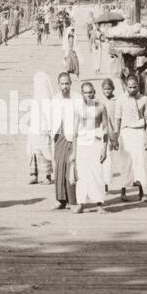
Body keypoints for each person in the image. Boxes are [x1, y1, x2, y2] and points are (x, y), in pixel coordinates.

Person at [114, 74, 147, 202]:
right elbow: (117, 119)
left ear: (138, 86)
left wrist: (146, 138)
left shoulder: (144, 99)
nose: (132, 89)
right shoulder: (120, 100)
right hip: (125, 133)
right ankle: (123, 191)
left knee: (139, 162)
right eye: (129, 87)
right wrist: (116, 136)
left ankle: (142, 192)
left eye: (134, 87)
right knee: (125, 162)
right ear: (126, 86)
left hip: (139, 132)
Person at [74, 81, 109, 213]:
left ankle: (99, 204)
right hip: (82, 142)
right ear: (82, 93)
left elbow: (105, 128)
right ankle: (81, 203)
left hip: (96, 141)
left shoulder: (100, 106)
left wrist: (104, 148)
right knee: (82, 173)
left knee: (96, 173)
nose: (88, 95)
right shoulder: (78, 108)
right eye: (85, 92)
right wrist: (73, 151)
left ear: (94, 92)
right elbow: (75, 130)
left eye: (90, 92)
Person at [50, 71, 80, 210]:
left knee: (71, 167)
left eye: (67, 83)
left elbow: (82, 118)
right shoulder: (55, 99)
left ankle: (73, 200)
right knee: (59, 166)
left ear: (71, 84)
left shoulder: (77, 98)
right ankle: (61, 199)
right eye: (62, 83)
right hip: (58, 135)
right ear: (58, 84)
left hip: (72, 136)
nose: (65, 86)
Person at [26, 70, 54, 185]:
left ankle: (47, 175)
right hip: (34, 129)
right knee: (34, 151)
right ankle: (34, 174)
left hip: (44, 129)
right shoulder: (35, 98)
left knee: (45, 150)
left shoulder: (49, 100)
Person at [99, 78, 120, 191]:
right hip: (103, 133)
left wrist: (115, 135)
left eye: (109, 89)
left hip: (114, 132)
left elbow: (117, 119)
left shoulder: (116, 101)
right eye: (105, 89)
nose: (107, 91)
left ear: (113, 89)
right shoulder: (99, 101)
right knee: (105, 160)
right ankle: (105, 185)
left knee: (116, 161)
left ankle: (123, 189)